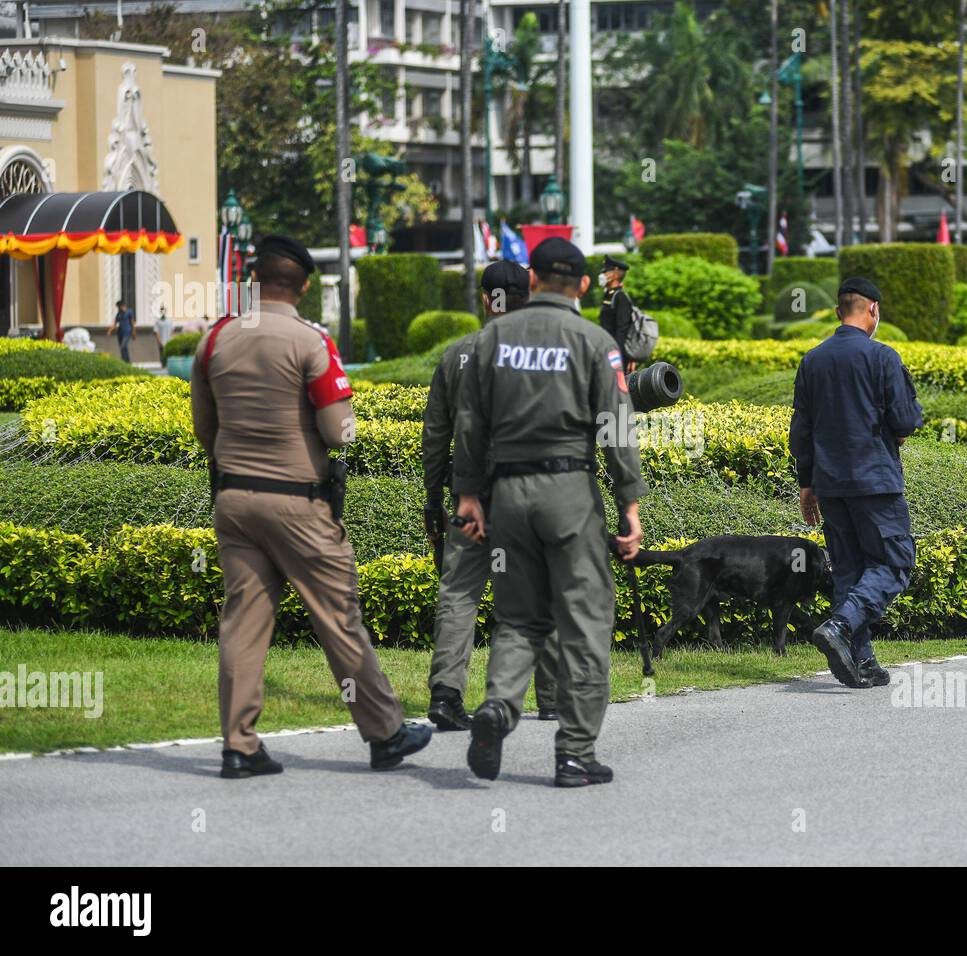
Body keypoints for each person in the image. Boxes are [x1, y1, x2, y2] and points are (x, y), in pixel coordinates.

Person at [191, 234, 432, 779]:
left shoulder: (216, 339)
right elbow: (337, 431)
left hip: (234, 500)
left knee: (243, 623)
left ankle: (239, 746)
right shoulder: (311, 341)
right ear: (303, 287)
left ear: (253, 281)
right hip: (299, 503)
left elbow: (206, 429)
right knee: (337, 617)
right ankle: (385, 733)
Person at [452, 236, 646, 788]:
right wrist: (629, 501)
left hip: (508, 495)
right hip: (569, 493)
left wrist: (468, 494)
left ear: (532, 279)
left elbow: (469, 422)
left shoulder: (493, 339)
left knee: (519, 618)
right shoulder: (594, 341)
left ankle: (498, 706)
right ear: (583, 285)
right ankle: (575, 753)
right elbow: (615, 425)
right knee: (583, 621)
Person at [422, 260, 562, 730]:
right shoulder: (548, 354)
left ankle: (446, 694)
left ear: (486, 299)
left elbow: (435, 437)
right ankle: (552, 696)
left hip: (471, 495)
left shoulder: (457, 355)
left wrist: (433, 499)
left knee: (459, 592)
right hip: (533, 494)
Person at [790, 277, 924, 690]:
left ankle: (863, 662)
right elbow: (905, 421)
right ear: (874, 310)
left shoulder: (812, 361)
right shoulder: (882, 357)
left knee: (849, 570)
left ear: (838, 311)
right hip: (875, 482)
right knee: (896, 563)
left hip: (830, 484)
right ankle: (840, 625)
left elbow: (801, 430)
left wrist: (807, 484)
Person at [597, 254, 639, 371]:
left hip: (615, 354)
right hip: (607, 350)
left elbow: (622, 329)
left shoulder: (620, 297)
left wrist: (617, 355)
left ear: (614, 275)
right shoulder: (609, 295)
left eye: (605, 272)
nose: (602, 275)